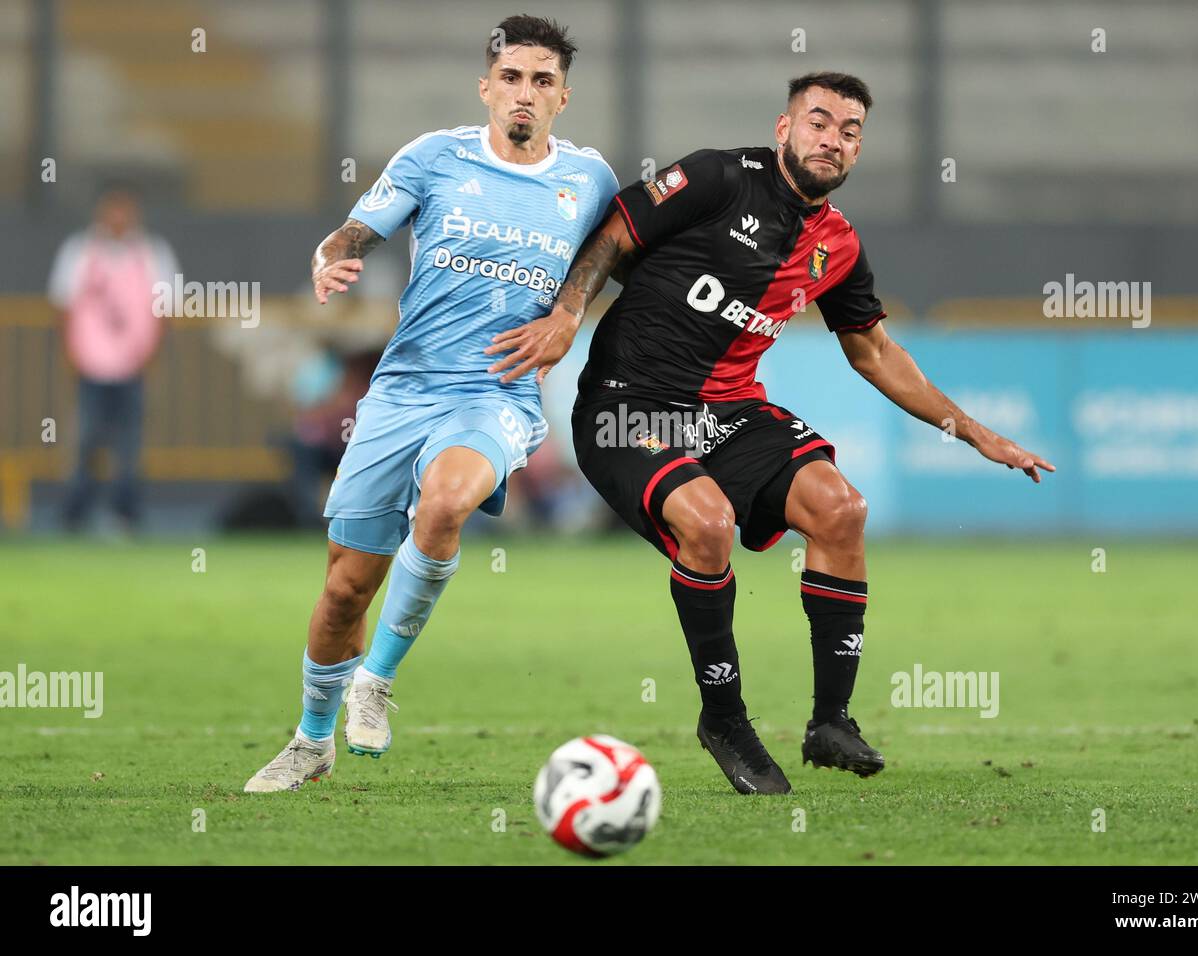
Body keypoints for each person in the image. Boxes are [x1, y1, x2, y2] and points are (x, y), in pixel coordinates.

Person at [488, 72, 1054, 795]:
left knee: (841, 510)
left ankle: (832, 721)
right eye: (818, 122)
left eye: (850, 131)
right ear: (784, 129)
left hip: (728, 414)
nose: (833, 139)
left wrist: (974, 433)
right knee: (708, 522)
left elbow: (873, 350)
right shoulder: (718, 178)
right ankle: (724, 718)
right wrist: (568, 314)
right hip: (630, 409)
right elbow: (616, 232)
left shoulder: (838, 245)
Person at [245, 15, 619, 792]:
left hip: (496, 394)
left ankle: (374, 682)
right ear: (486, 87)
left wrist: (570, 309)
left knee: (445, 504)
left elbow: (608, 251)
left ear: (563, 98)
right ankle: (312, 741)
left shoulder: (588, 179)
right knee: (345, 589)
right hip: (403, 391)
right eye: (511, 77)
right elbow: (352, 233)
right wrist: (331, 262)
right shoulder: (435, 157)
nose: (525, 93)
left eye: (542, 81)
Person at [48, 183, 177, 533]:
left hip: (133, 365)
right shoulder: (79, 250)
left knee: (129, 445)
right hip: (90, 364)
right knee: (85, 439)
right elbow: (63, 304)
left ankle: (126, 515)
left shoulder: (152, 252)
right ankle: (75, 515)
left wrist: (150, 354)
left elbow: (164, 307)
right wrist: (72, 353)